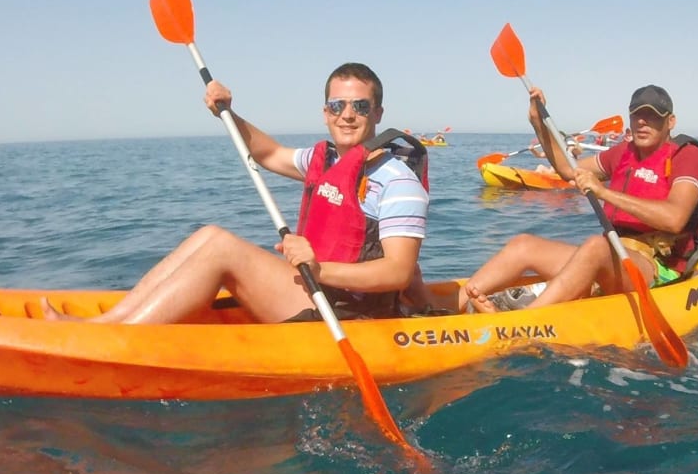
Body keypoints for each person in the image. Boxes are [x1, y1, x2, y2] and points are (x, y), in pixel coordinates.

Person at [42, 62, 429, 324]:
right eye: (337, 105)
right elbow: (268, 153)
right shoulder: (321, 158)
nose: (348, 114)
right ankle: (108, 322)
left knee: (221, 249)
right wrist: (227, 111)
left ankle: (115, 340)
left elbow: (396, 272)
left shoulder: (396, 180)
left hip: (347, 312)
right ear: (325, 112)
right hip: (314, 287)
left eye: (360, 106)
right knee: (210, 234)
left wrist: (320, 269)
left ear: (378, 113)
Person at [459, 84, 698, 313]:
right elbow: (569, 170)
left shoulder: (686, 156)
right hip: (615, 257)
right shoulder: (623, 153)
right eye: (637, 115)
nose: (643, 122)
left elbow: (675, 218)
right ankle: (453, 306)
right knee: (523, 244)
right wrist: (539, 123)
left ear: (671, 121)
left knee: (596, 247)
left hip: (657, 267)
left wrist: (603, 192)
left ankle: (525, 320)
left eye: (653, 115)